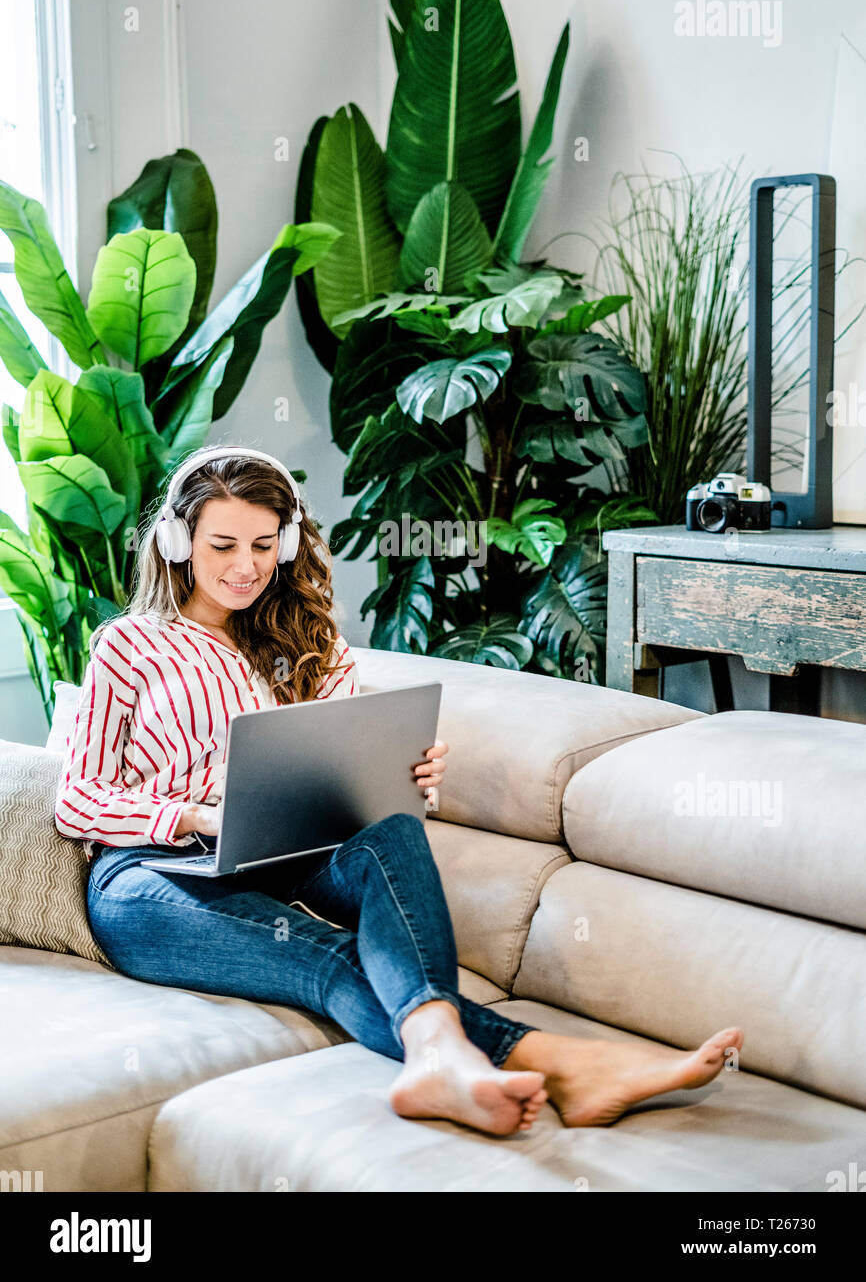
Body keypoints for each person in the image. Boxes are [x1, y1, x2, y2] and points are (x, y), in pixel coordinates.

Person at [56, 445, 744, 1139]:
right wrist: (195, 814)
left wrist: (402, 780)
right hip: (149, 876)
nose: (246, 566)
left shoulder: (312, 645)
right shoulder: (129, 645)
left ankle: (453, 1065)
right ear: (179, 543)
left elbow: (342, 785)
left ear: (287, 543)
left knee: (391, 831)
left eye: (264, 545)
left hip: (277, 856)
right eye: (223, 545)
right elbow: (77, 797)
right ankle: (547, 1063)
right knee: (332, 960)